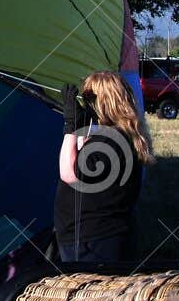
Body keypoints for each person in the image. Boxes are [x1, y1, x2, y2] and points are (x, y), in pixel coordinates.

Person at [54, 70, 155, 263]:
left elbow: (69, 173)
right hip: (101, 237)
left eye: (89, 98)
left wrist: (70, 128)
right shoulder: (121, 136)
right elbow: (85, 161)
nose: (86, 104)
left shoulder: (111, 140)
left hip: (93, 241)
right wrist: (82, 128)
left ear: (102, 103)